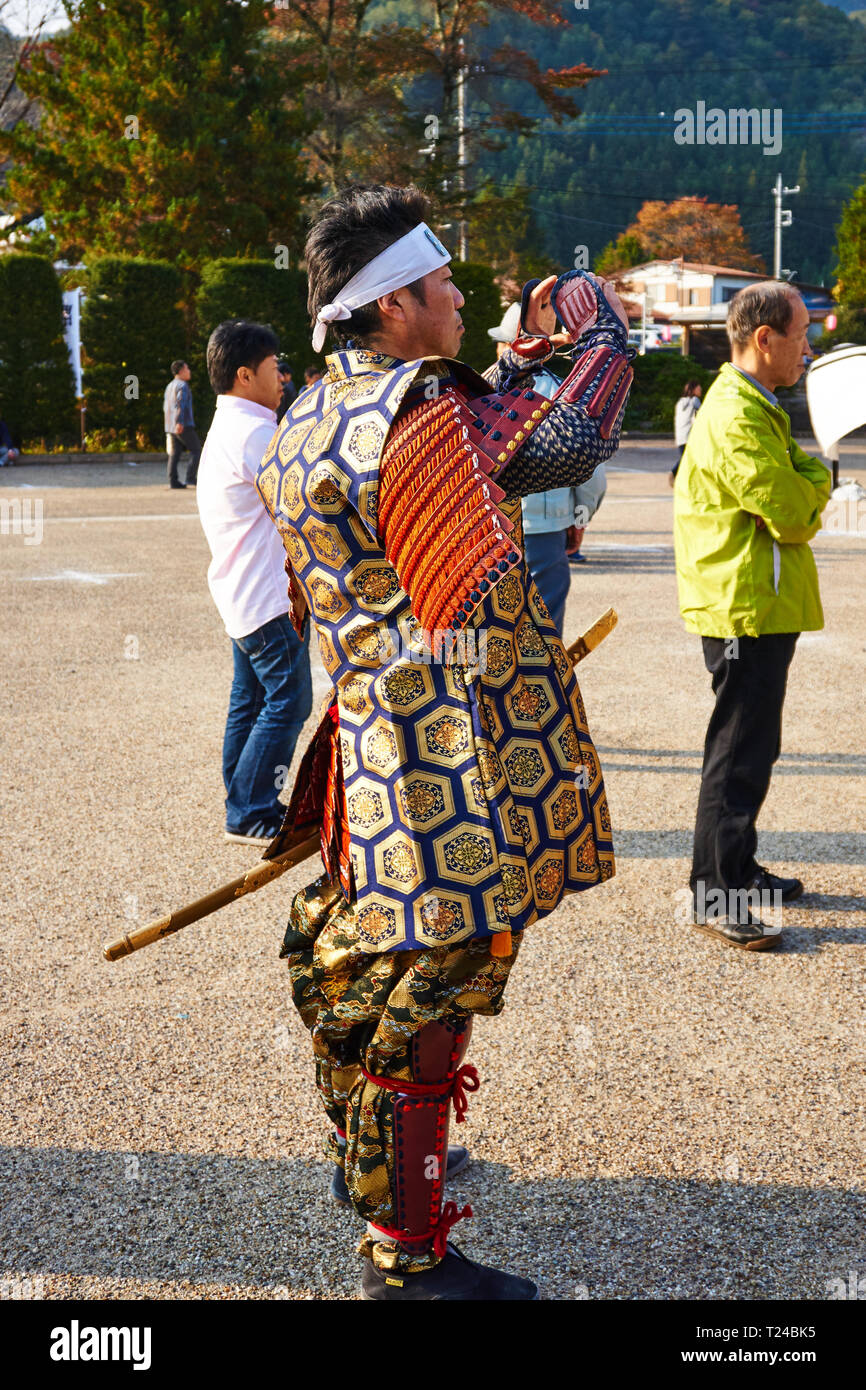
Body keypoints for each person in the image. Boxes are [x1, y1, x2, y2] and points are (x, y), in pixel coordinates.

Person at [255, 184, 634, 1300]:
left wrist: (507, 370)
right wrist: (599, 335)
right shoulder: (421, 412)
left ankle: (362, 1164)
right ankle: (406, 1255)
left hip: (362, 740)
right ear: (393, 307)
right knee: (438, 983)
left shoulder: (312, 413)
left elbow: (453, 462)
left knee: (351, 955)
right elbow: (571, 441)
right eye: (440, 284)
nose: (459, 294)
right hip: (443, 763)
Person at [674, 283, 831, 951]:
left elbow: (799, 477)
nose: (807, 347)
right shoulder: (738, 413)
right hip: (743, 605)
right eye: (800, 334)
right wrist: (819, 482)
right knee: (737, 750)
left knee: (752, 745)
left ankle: (736, 868)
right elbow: (793, 511)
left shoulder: (755, 405)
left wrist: (808, 479)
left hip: (757, 601)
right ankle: (713, 889)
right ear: (763, 338)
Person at [196, 321, 313, 844]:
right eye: (273, 367)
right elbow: (306, 498)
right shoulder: (256, 433)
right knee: (289, 700)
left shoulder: (229, 425)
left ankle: (242, 798)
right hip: (267, 596)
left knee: (250, 698)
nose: (282, 376)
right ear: (245, 374)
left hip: (240, 591)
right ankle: (251, 809)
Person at [486, 303, 607, 631]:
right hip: (546, 527)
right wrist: (578, 518)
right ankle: (546, 679)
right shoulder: (563, 393)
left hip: (489, 528)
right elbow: (590, 472)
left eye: (502, 341)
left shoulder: (481, 390)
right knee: (546, 620)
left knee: (493, 619)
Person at [163, 360, 202, 488]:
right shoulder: (182, 386)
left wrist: (171, 424)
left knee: (175, 453)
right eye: (187, 368)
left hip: (170, 426)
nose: (189, 371)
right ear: (181, 371)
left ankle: (173, 481)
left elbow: (167, 406)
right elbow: (180, 404)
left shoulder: (169, 386)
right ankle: (190, 478)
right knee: (196, 450)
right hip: (183, 424)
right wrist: (179, 422)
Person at [669, 379, 702, 486]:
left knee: (687, 458)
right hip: (690, 436)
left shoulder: (680, 402)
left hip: (680, 436)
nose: (700, 389)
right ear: (693, 389)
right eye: (698, 387)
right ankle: (674, 473)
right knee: (690, 459)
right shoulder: (695, 401)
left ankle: (685, 480)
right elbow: (703, 414)